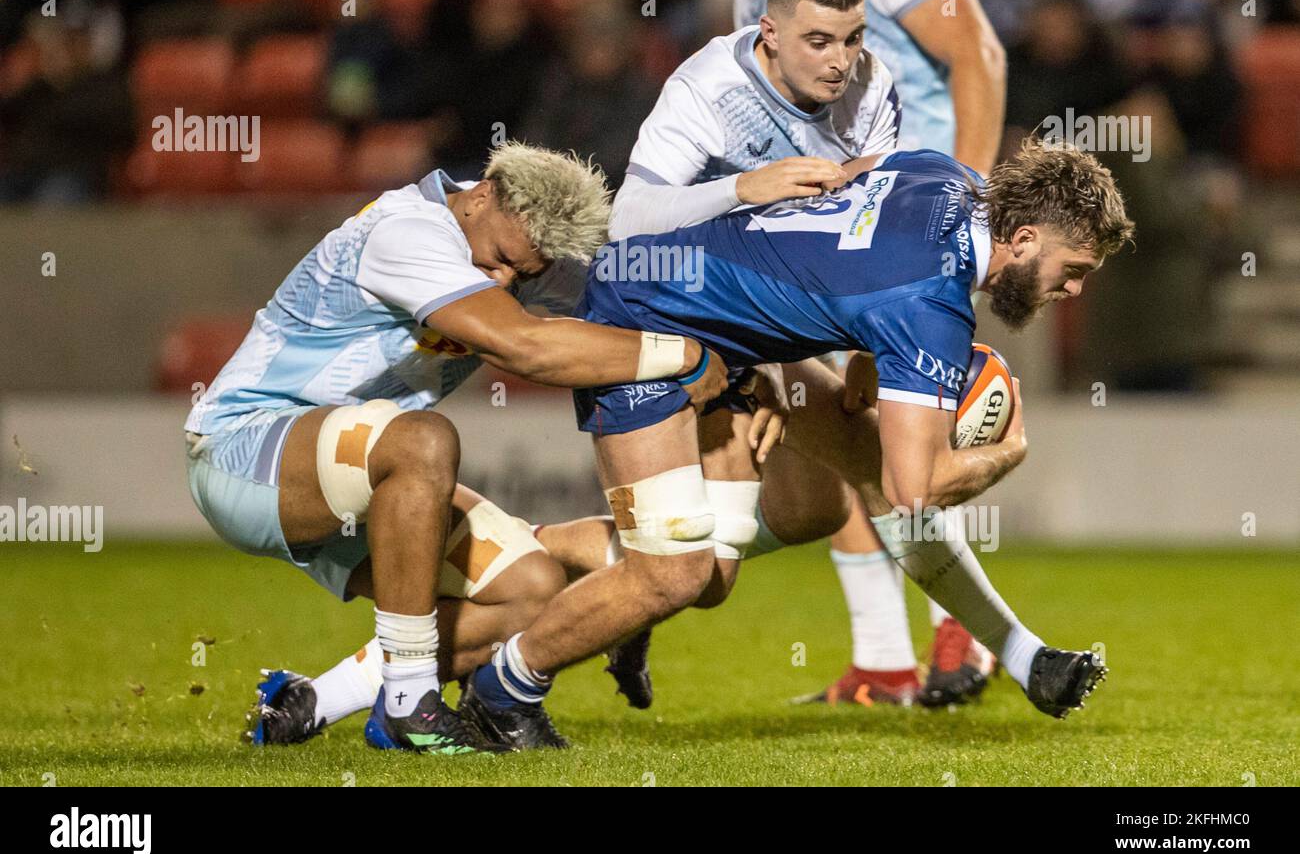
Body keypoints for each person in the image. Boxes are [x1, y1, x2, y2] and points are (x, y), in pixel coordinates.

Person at [459, 139, 1134, 748]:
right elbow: (915, 489)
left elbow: (853, 181)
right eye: (1073, 268)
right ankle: (505, 683)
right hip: (642, 318)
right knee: (675, 573)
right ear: (1020, 237)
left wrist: (859, 350)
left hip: (721, 320)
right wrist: (1008, 452)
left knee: (744, 553)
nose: (1072, 289)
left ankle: (1026, 658)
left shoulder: (942, 174)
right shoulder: (928, 304)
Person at [185, 142, 726, 755]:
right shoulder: (409, 232)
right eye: (500, 260)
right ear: (482, 195)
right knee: (424, 441)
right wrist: (685, 357)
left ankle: (310, 702)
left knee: (533, 589)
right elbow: (523, 346)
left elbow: (630, 316)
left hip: (359, 477)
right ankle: (410, 700)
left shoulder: (518, 252)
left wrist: (747, 377)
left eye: (524, 275)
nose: (504, 281)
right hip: (247, 451)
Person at [729, 0, 1008, 707]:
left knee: (902, 439)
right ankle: (887, 662)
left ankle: (961, 636)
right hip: (825, 238)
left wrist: (962, 210)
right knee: (841, 436)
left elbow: (981, 58)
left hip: (905, 233)